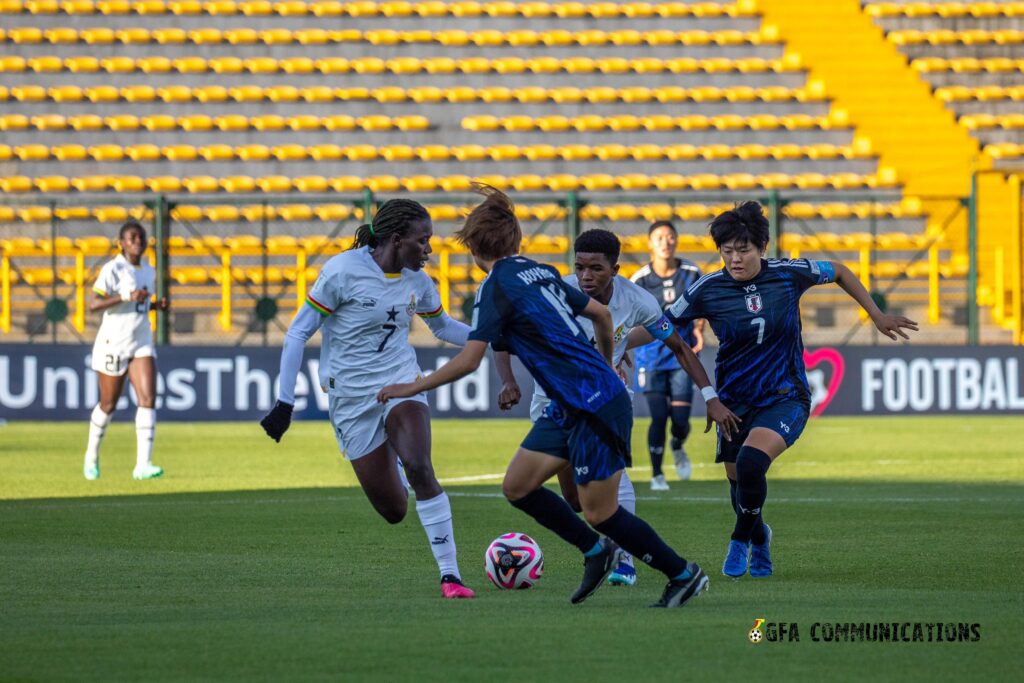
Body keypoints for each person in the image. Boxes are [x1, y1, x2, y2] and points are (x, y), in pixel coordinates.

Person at [380, 185, 740, 608]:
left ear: (474, 249)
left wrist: (410, 386)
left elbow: (469, 360)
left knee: (600, 512)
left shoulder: (494, 288)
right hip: (569, 403)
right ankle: (596, 551)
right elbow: (601, 315)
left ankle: (682, 574)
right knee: (517, 487)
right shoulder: (540, 272)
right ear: (516, 241)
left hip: (593, 404)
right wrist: (605, 362)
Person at [666, 201, 918, 579]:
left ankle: (739, 540)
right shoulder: (707, 288)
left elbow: (840, 271)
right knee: (740, 485)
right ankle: (760, 537)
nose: (734, 259)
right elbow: (661, 325)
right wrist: (615, 347)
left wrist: (876, 315)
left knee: (751, 464)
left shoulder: (788, 274)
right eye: (727, 251)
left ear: (762, 248)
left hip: (786, 396)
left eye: (743, 250)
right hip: (733, 402)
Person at [497, 228, 740, 588]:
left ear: (615, 269)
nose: (586, 276)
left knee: (611, 487)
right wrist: (508, 380)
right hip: (552, 403)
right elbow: (502, 334)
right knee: (576, 500)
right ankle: (607, 549)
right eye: (580, 267)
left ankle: (625, 562)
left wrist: (710, 397)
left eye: (596, 268)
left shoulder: (637, 300)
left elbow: (678, 346)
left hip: (604, 402)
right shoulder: (554, 291)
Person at [259, 198, 477, 599]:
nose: (429, 249)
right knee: (394, 510)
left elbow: (443, 327)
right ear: (396, 239)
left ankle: (451, 577)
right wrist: (284, 403)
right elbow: (297, 332)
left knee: (420, 465)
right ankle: (394, 457)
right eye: (422, 240)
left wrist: (494, 336)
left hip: (401, 381)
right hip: (351, 398)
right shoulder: (342, 272)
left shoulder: (418, 280)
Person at [82, 221, 169, 481]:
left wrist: (154, 306)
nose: (137, 241)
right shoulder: (113, 269)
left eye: (141, 237)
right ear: (122, 243)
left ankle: (143, 464)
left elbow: (138, 305)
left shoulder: (148, 270)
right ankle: (91, 455)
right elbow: (93, 304)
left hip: (141, 341)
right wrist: (124, 296)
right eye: (132, 237)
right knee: (109, 403)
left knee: (148, 398)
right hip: (114, 342)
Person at [630, 220, 706, 490]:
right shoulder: (639, 279)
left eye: (670, 236)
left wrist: (698, 330)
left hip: (682, 354)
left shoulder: (692, 273)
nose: (665, 242)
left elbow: (702, 306)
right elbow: (629, 314)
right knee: (659, 416)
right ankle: (657, 475)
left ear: (676, 240)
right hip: (650, 357)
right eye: (659, 237)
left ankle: (677, 444)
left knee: (681, 421)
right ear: (650, 243)